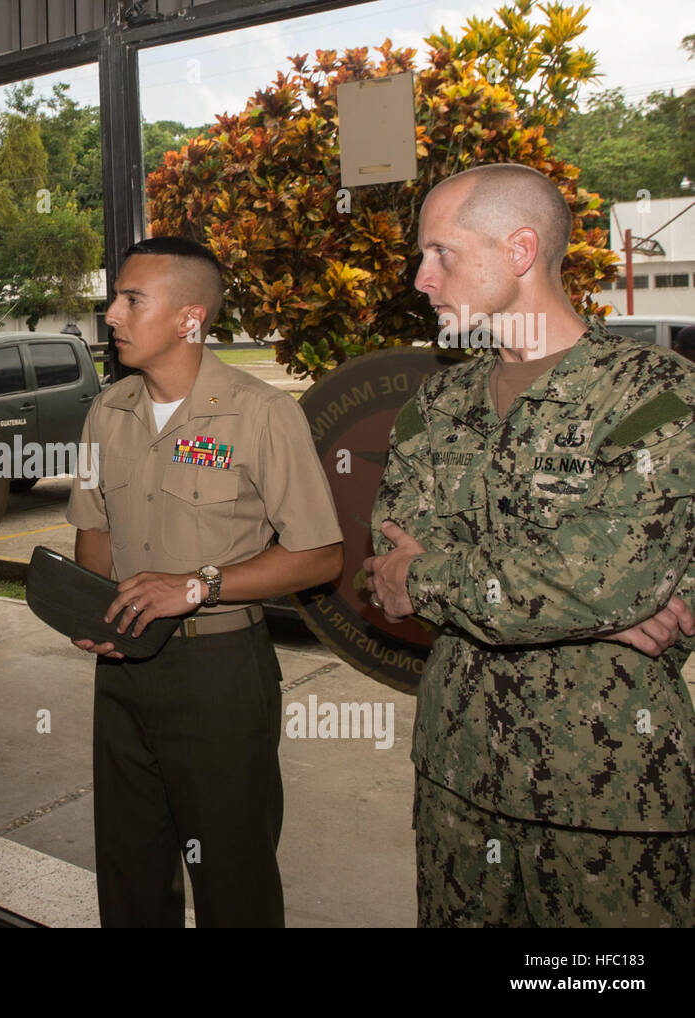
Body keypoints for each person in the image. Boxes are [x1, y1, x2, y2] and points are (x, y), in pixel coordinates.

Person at [366, 162, 695, 927]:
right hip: (456, 778)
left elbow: (606, 576)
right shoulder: (438, 403)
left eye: (442, 253)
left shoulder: (654, 394)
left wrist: (433, 579)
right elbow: (380, 565)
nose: (422, 278)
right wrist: (599, 610)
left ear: (519, 250)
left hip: (609, 793)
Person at [65, 236, 344, 927]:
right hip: (125, 669)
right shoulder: (109, 411)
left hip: (219, 670)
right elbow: (94, 527)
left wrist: (198, 585)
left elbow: (320, 555)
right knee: (129, 870)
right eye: (115, 297)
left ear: (190, 317)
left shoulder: (259, 414)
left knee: (232, 876)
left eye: (132, 298)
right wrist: (93, 611)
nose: (112, 313)